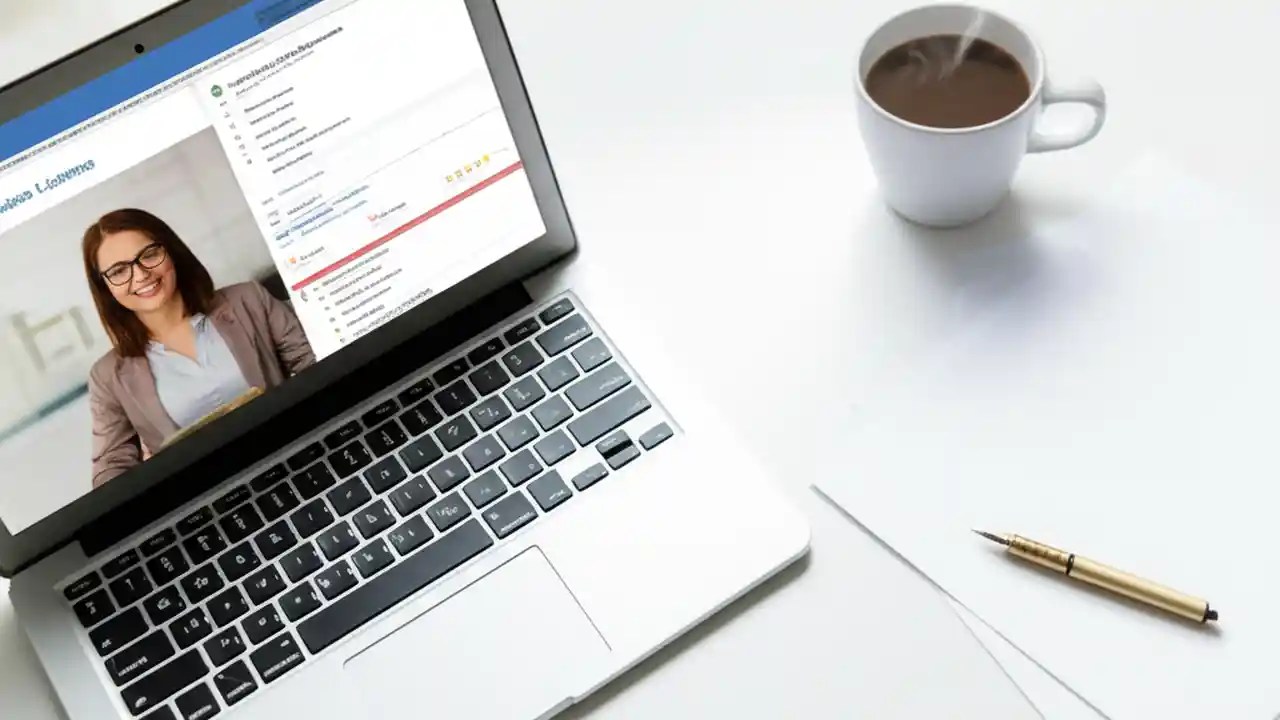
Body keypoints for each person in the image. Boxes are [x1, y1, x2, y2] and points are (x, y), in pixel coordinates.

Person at [83, 208, 315, 488]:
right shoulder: (107, 376)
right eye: (119, 271)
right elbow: (112, 467)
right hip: (208, 496)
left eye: (149, 255)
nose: (141, 275)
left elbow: (314, 364)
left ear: (171, 251)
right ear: (105, 287)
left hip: (296, 457)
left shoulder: (248, 300)